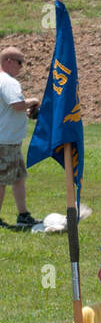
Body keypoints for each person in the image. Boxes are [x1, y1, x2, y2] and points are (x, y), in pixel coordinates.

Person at [0, 45, 40, 226]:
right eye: (19, 62)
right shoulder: (8, 82)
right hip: (5, 141)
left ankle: (23, 214)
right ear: (8, 61)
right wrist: (33, 101)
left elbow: (9, 109)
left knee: (18, 178)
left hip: (9, 140)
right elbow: (17, 104)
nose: (21, 66)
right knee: (1, 180)